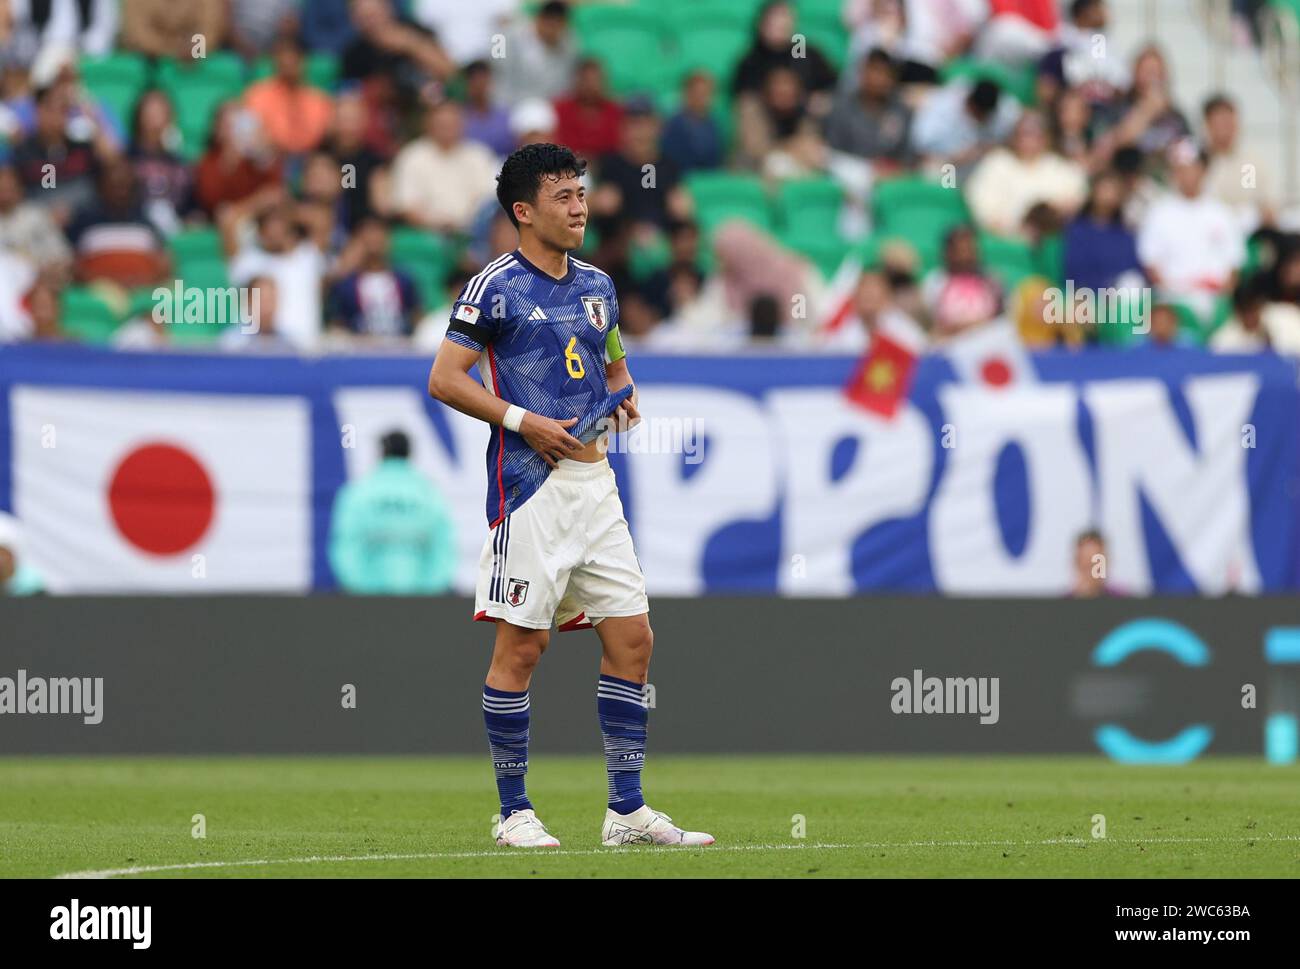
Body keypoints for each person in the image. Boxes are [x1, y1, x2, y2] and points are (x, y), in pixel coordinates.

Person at [427, 142, 714, 849]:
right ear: (524, 211)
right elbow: (445, 378)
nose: (580, 207)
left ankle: (626, 811)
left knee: (633, 637)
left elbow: (614, 364)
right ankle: (513, 813)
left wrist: (624, 395)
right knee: (523, 647)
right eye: (563, 196)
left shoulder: (599, 286)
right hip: (531, 487)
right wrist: (523, 421)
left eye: (581, 193)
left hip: (597, 482)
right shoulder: (493, 287)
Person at [328, 431, 457, 595]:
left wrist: (362, 592)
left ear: (381, 453)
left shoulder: (357, 492)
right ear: (409, 453)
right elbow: (443, 550)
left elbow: (345, 549)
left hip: (366, 602)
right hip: (420, 603)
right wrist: (428, 594)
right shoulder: (430, 493)